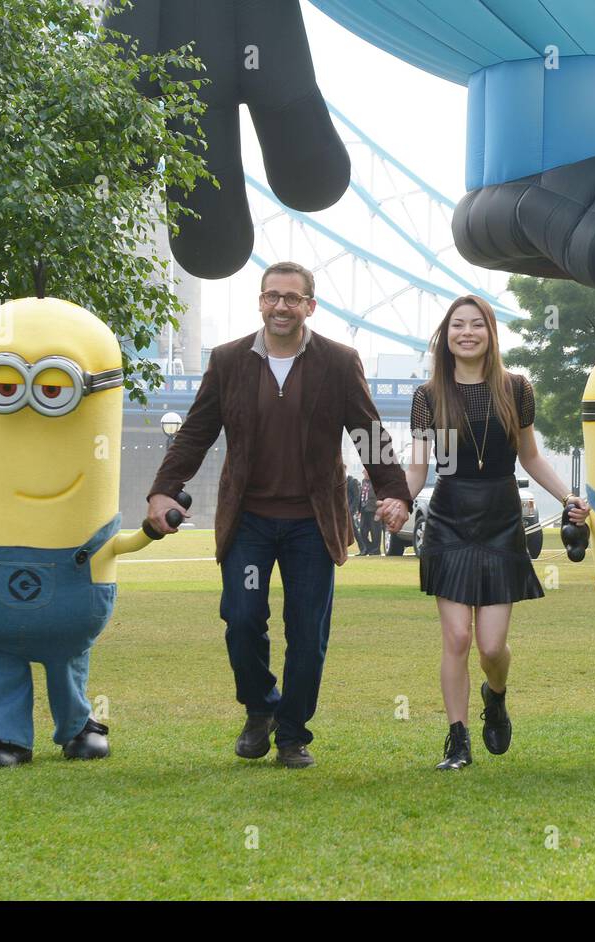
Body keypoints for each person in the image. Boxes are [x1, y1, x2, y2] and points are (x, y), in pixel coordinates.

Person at [145, 261, 411, 769]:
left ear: (310, 306)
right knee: (242, 619)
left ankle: (292, 734)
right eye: (272, 296)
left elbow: (368, 433)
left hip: (312, 523)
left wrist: (394, 493)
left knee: (307, 630)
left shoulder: (338, 361)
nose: (281, 306)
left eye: (292, 298)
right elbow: (196, 432)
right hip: (249, 521)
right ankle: (260, 707)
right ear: (260, 302)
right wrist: (164, 490)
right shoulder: (228, 362)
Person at [406, 295, 589, 770]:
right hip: (448, 519)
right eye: (457, 327)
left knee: (490, 646)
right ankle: (457, 738)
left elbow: (530, 456)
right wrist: (396, 501)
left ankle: (497, 694)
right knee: (457, 639)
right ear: (445, 338)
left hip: (500, 518)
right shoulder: (428, 396)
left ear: (490, 333)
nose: (466, 333)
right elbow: (418, 466)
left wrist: (569, 497)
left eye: (476, 325)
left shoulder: (516, 387)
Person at [359, 473, 382, 554]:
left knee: (375, 532)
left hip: (374, 510)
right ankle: (369, 548)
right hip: (364, 509)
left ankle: (376, 550)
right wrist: (359, 510)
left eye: (365, 471)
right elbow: (361, 495)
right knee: (362, 531)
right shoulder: (364, 481)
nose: (363, 473)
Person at [346, 473, 362, 554]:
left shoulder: (352, 481)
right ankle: (363, 548)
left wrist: (352, 510)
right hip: (344, 511)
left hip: (349, 511)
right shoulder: (342, 481)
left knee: (354, 531)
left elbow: (356, 497)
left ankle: (363, 548)